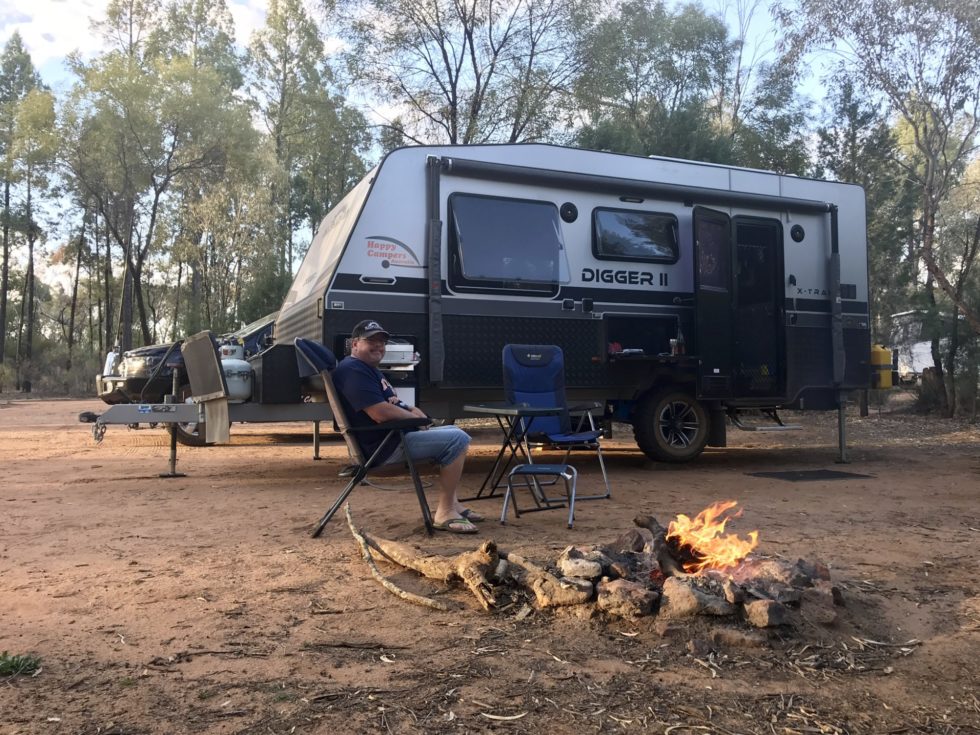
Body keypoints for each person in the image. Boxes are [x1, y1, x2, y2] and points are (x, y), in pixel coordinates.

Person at [331, 319, 481, 534]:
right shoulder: (353, 370)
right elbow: (380, 413)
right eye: (371, 341)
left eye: (382, 342)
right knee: (458, 439)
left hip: (393, 438)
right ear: (355, 344)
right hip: (384, 448)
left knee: (454, 433)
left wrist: (412, 410)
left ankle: (453, 504)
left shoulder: (366, 369)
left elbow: (391, 404)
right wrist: (417, 421)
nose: (378, 346)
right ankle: (445, 512)